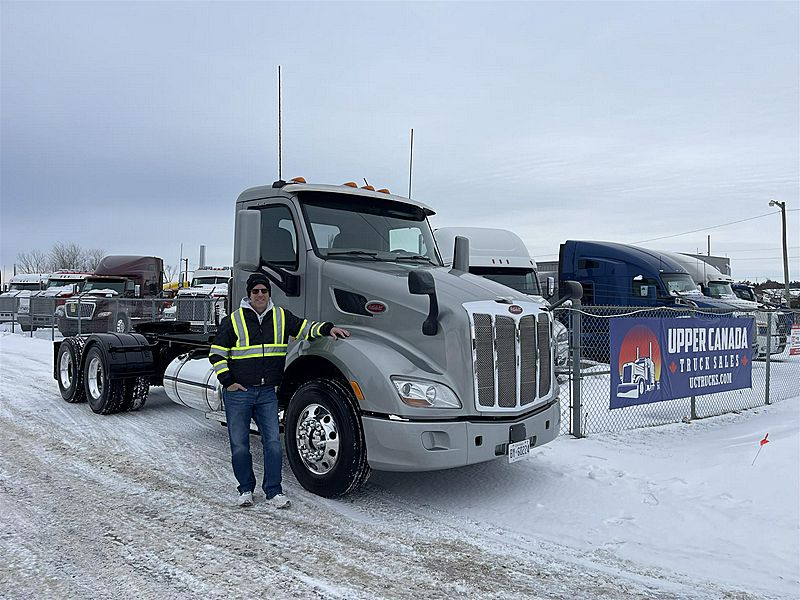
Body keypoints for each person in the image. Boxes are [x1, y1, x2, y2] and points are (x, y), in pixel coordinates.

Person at [209, 272, 350, 508]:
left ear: (269, 294)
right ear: (249, 294)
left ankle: (273, 491)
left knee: (273, 443)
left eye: (264, 291)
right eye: (256, 291)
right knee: (240, 444)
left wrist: (328, 329)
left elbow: (306, 328)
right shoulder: (233, 321)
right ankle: (245, 490)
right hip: (239, 393)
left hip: (266, 394)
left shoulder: (281, 316)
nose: (260, 295)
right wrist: (228, 382)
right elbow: (217, 353)